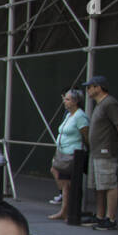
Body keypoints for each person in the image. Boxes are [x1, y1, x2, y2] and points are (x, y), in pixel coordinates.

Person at [84, 75, 118, 230]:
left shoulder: (110, 103)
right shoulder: (100, 104)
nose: (87, 90)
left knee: (109, 183)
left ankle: (110, 218)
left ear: (98, 87)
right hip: (97, 151)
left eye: (89, 87)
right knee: (100, 185)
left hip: (106, 151)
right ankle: (100, 216)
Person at [49, 90, 89, 220]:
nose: (64, 101)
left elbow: (86, 135)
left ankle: (68, 210)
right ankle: (65, 209)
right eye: (65, 99)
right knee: (61, 178)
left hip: (73, 154)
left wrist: (87, 149)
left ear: (75, 101)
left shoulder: (80, 116)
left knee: (69, 182)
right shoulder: (69, 115)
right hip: (62, 152)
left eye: (67, 99)